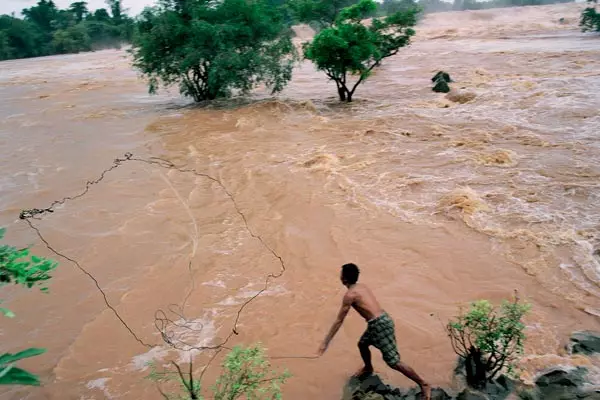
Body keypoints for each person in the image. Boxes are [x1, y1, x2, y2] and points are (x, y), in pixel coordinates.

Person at [317, 263, 431, 400]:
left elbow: (339, 320)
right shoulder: (361, 287)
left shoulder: (350, 295)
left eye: (341, 274)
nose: (340, 275)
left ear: (344, 279)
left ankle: (423, 384)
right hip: (381, 320)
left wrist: (325, 343)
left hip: (379, 325)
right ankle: (368, 367)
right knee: (362, 344)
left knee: (393, 361)